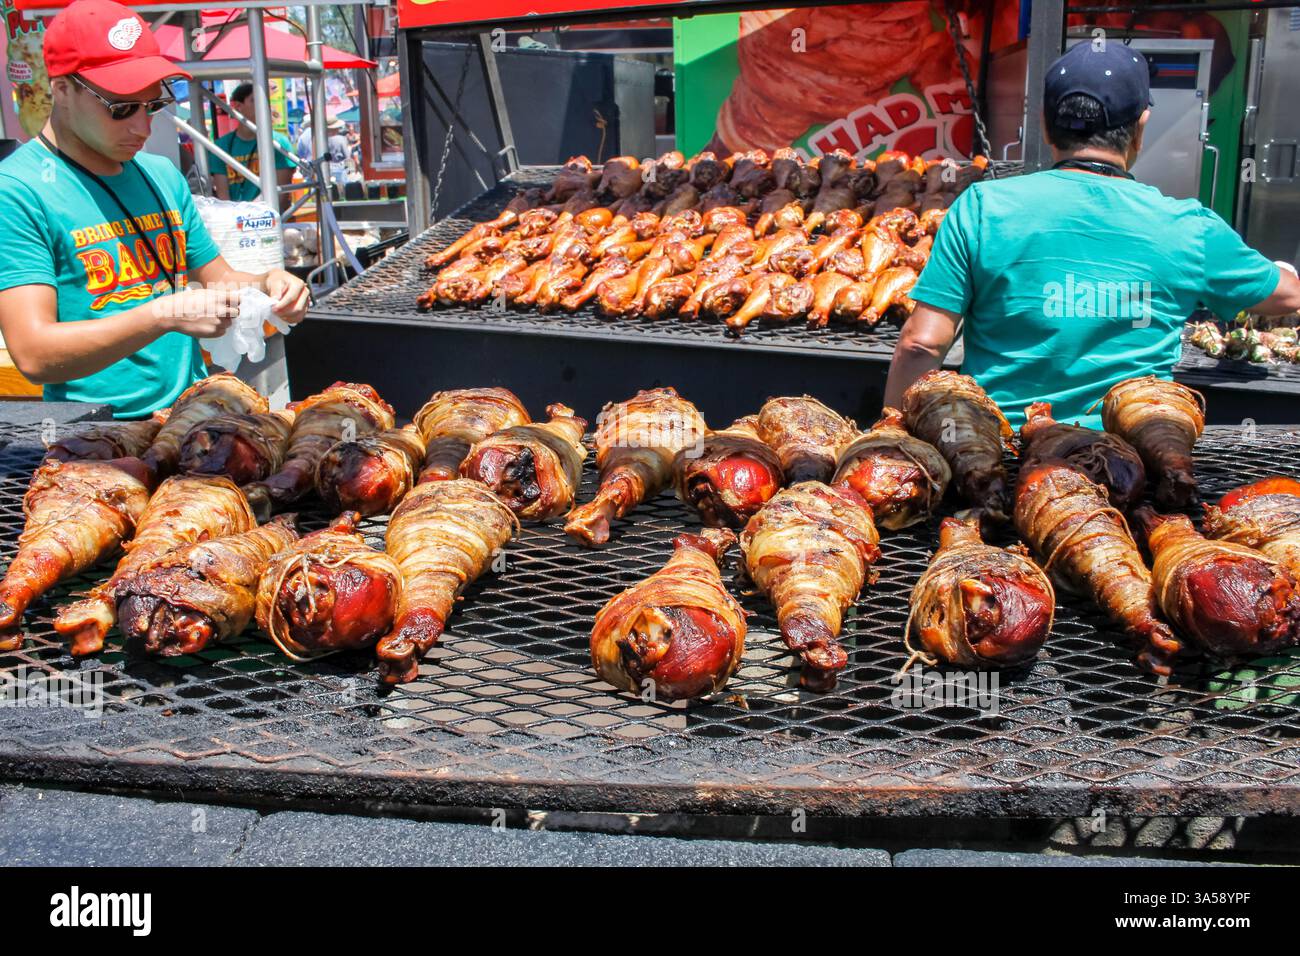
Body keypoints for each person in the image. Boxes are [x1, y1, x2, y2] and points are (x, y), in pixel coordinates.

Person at [883, 41, 1300, 428]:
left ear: (1045, 126)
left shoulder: (981, 207)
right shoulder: (1189, 226)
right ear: (1141, 127)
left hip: (997, 458)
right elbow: (1287, 295)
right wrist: (1281, 268)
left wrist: (893, 434)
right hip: (1133, 464)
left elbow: (922, 343)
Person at [0, 0, 310, 419]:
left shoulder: (161, 174)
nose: (142, 128)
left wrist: (267, 283)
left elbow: (218, 278)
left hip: (189, 417)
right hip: (92, 438)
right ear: (62, 89)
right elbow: (34, 354)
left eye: (153, 105)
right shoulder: (17, 191)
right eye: (121, 108)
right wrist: (163, 314)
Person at [210, 82, 296, 210]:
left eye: (266, 100)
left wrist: (252, 216)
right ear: (238, 106)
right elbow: (223, 198)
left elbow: (281, 192)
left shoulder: (278, 143)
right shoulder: (221, 146)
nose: (264, 105)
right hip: (234, 219)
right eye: (255, 100)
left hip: (271, 217)